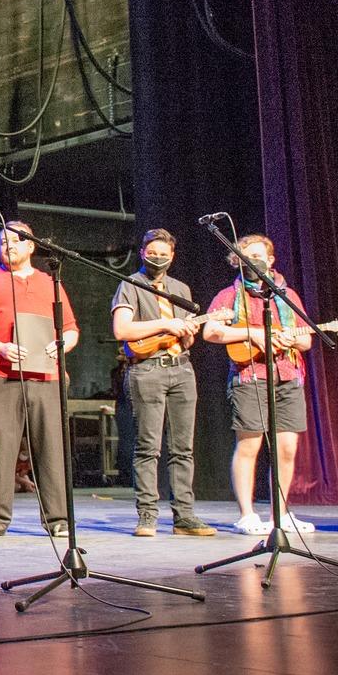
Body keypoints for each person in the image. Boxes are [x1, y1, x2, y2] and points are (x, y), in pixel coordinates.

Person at [0, 221, 79, 539]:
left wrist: (61, 343)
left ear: (31, 246)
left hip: (46, 375)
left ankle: (58, 520)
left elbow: (70, 328)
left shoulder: (50, 282)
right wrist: (1, 347)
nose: (8, 245)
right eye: (2, 241)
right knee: (0, 448)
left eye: (15, 240)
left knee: (50, 448)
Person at [200, 233, 319, 536]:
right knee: (250, 445)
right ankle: (247, 514)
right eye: (247, 256)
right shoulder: (229, 295)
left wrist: (290, 338)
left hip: (288, 375)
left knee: (287, 448)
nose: (256, 261)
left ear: (271, 259)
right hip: (250, 376)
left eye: (260, 255)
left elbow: (305, 339)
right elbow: (211, 332)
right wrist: (251, 334)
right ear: (237, 262)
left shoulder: (287, 295)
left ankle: (280, 513)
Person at [109, 228, 220, 537]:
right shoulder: (130, 285)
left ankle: (184, 516)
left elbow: (186, 336)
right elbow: (122, 330)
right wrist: (165, 323)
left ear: (173, 256)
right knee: (148, 447)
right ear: (143, 252)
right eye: (152, 252)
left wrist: (186, 332)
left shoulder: (180, 289)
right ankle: (147, 515)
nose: (158, 257)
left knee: (183, 448)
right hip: (147, 370)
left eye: (164, 253)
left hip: (181, 369)